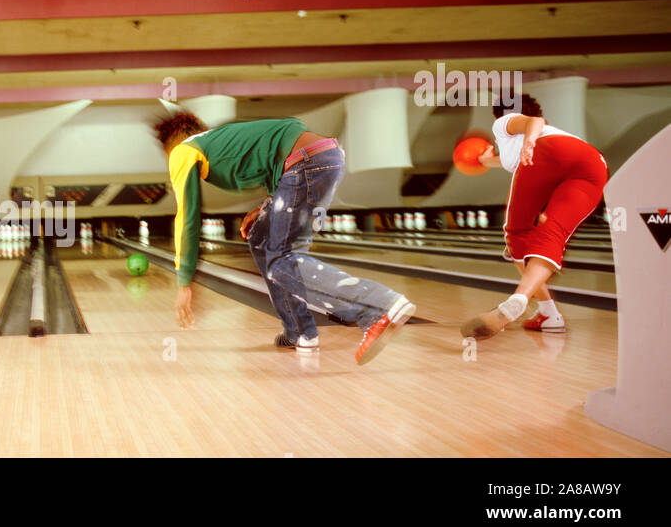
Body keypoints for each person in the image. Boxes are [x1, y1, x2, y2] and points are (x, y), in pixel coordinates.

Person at [158, 112, 415, 365]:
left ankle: (379, 307)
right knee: (260, 236)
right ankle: (299, 331)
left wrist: (184, 281)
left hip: (306, 165)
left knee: (282, 260)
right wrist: (267, 206)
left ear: (172, 145)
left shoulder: (182, 151)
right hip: (321, 158)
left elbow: (187, 219)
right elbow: (286, 136)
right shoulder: (223, 139)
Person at [462, 93, 608, 339]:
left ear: (498, 114)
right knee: (552, 233)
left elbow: (534, 123)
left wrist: (529, 141)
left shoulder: (504, 122)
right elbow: (515, 160)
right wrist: (487, 161)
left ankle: (540, 306)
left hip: (546, 153)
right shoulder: (545, 138)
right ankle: (544, 313)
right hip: (593, 165)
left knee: (517, 234)